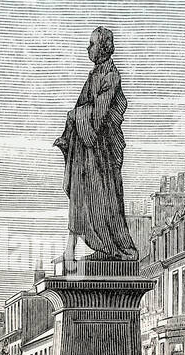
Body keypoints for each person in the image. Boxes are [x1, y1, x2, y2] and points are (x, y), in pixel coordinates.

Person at [53, 26, 139, 263]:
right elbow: (84, 105)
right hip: (86, 147)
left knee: (103, 200)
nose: (88, 48)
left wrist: (74, 116)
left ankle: (112, 248)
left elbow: (99, 116)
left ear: (102, 47)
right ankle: (71, 250)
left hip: (101, 151)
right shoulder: (94, 74)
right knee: (80, 195)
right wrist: (75, 117)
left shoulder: (111, 76)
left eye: (91, 44)